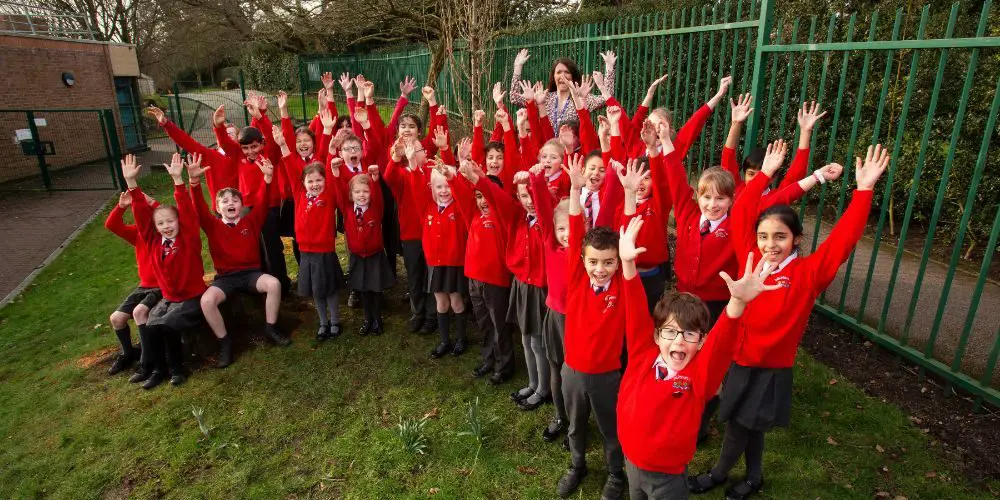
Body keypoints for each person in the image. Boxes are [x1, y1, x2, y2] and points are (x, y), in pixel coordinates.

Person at [689, 142, 889, 500]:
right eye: (764, 236)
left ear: (796, 239)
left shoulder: (809, 273)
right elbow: (744, 210)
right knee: (749, 423)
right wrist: (764, 173)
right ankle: (754, 476)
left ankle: (719, 473)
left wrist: (864, 191)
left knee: (741, 424)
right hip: (739, 359)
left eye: (780, 237)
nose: (770, 244)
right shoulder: (749, 255)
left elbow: (842, 242)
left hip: (771, 367)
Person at [617, 214, 778, 500]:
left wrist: (737, 303)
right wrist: (627, 263)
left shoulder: (698, 377)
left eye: (689, 335)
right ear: (656, 336)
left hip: (668, 480)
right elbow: (634, 309)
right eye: (671, 333)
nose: (679, 341)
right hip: (631, 463)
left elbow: (721, 346)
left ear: (701, 341)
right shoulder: (643, 352)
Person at [555, 154, 628, 500]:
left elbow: (626, 242)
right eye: (594, 262)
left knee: (610, 426)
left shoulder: (623, 286)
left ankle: (616, 473)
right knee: (575, 423)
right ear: (582, 260)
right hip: (572, 370)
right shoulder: (576, 277)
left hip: (607, 375)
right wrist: (574, 187)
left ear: (618, 262)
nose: (600, 269)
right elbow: (574, 224)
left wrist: (628, 197)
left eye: (608, 262)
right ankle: (577, 463)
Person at [189, 153, 289, 369]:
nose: (230, 203)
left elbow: (263, 202)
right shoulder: (212, 225)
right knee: (207, 301)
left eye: (235, 200)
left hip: (251, 274)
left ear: (242, 205)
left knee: (273, 284)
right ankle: (224, 342)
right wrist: (194, 183)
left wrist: (268, 179)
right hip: (225, 278)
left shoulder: (250, 221)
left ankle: (271, 328)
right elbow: (198, 208)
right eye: (225, 201)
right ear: (217, 208)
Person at [120, 153, 207, 389]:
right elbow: (140, 214)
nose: (166, 227)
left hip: (191, 298)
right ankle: (158, 369)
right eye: (161, 224)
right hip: (169, 298)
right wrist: (132, 185)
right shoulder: (154, 242)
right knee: (150, 326)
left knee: (167, 325)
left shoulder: (188, 239)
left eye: (170, 222)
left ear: (178, 223)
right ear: (155, 228)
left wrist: (179, 181)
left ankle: (177, 369)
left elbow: (187, 211)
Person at [274, 123, 347, 340]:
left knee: (330, 290)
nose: (314, 184)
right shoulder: (299, 194)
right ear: (303, 183)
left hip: (324, 251)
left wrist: (331, 149)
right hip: (306, 251)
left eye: (318, 180)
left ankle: (335, 321)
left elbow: (332, 175)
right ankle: (323, 322)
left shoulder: (329, 194)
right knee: (316, 291)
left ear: (325, 181)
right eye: (310, 181)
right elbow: (289, 164)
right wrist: (283, 145)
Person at [451, 160, 516, 382]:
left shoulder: (504, 217)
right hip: (474, 279)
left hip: (496, 281)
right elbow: (461, 195)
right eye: (478, 197)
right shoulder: (474, 216)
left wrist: (483, 182)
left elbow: (495, 196)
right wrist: (452, 178)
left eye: (486, 195)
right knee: (483, 322)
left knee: (499, 324)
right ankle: (489, 359)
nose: (482, 201)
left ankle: (504, 366)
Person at [407, 152, 470, 358]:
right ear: (431, 189)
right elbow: (416, 188)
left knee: (456, 301)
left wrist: (458, 170)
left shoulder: (460, 207)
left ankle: (461, 338)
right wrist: (412, 164)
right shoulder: (427, 207)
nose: (444, 191)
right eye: (439, 187)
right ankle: (445, 341)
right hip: (435, 264)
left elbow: (464, 190)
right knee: (441, 302)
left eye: (448, 186)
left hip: (454, 264)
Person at [104, 191, 161, 378]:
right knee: (116, 318)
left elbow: (166, 214)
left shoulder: (164, 231)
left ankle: (148, 356)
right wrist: (121, 206)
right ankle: (128, 353)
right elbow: (111, 225)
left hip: (162, 286)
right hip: (144, 286)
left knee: (140, 312)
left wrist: (151, 202)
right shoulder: (137, 233)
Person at [334, 166, 396, 335]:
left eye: (365, 191)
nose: (362, 195)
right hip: (358, 257)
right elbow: (339, 193)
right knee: (363, 290)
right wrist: (337, 176)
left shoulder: (375, 209)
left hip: (374, 256)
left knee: (375, 289)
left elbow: (377, 195)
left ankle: (377, 319)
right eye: (357, 192)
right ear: (351, 195)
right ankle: (367, 319)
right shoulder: (347, 211)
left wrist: (375, 181)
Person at [510, 48, 618, 129]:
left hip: (572, 153)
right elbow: (514, 98)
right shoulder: (544, 98)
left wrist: (609, 68)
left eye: (567, 72)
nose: (562, 76)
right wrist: (517, 68)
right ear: (554, 76)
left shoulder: (581, 99)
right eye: (559, 72)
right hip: (548, 154)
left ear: (573, 76)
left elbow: (607, 98)